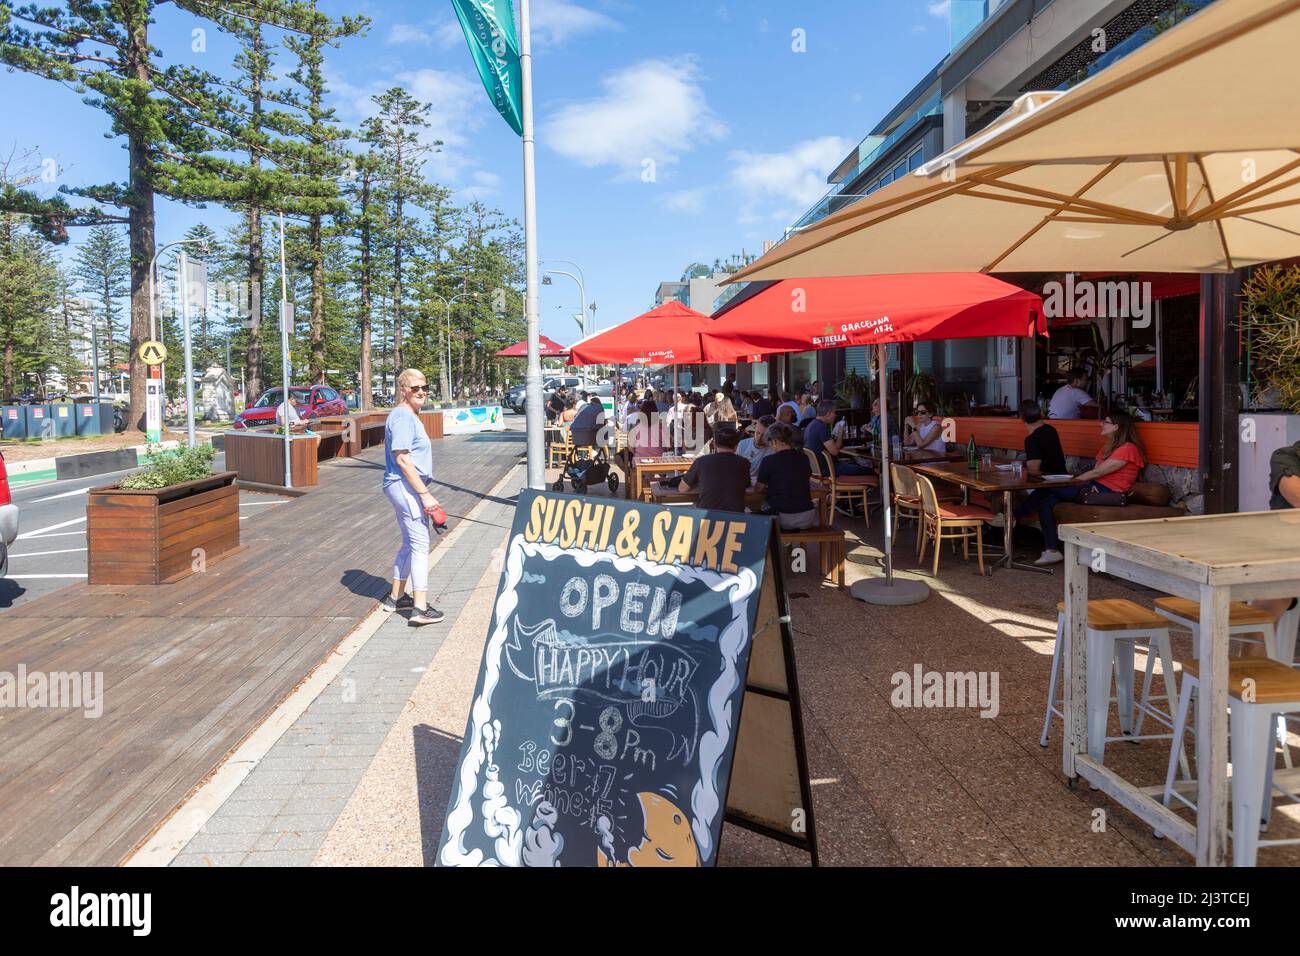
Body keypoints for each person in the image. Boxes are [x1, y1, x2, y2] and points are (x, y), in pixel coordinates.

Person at [1020, 410, 1146, 566]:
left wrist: (1073, 482)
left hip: (1107, 493)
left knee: (1047, 488)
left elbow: (1099, 472)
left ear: (1116, 427)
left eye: (1105, 422)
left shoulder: (1128, 448)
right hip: (1094, 487)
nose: (1101, 424)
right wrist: (1079, 482)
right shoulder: (1109, 447)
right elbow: (1097, 473)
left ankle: (1014, 516)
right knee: (1046, 501)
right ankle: (1052, 551)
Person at [382, 368, 444, 626]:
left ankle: (395, 597)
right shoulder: (403, 417)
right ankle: (419, 608)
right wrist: (425, 494)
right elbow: (403, 459)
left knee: (410, 542)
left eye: (424, 387)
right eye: (414, 387)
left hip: (401, 485)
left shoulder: (405, 415)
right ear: (403, 390)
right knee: (420, 544)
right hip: (404, 485)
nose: (421, 392)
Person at [755, 422, 819, 530]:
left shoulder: (768, 461)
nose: (770, 447)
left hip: (781, 519)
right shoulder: (804, 458)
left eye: (770, 444)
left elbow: (758, 488)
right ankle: (788, 545)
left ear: (774, 441)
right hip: (807, 517)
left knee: (758, 511)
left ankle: (775, 546)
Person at [677, 424, 750, 513]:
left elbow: (682, 489)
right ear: (736, 446)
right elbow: (746, 485)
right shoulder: (744, 463)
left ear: (714, 444)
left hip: (707, 515)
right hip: (735, 515)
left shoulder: (701, 461)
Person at [804, 399, 873, 477]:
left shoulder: (811, 425)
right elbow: (835, 451)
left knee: (855, 464)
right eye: (834, 412)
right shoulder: (821, 427)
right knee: (870, 470)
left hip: (819, 469)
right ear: (828, 413)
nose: (835, 415)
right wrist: (840, 431)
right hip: (830, 469)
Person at [1018, 399, 1066, 475]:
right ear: (1041, 413)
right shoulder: (1051, 429)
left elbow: (1033, 472)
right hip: (1063, 479)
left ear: (1022, 418)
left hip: (1048, 484)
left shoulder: (1032, 439)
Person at [737, 414, 776, 479]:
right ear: (755, 428)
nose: (759, 438)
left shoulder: (773, 451)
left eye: (764, 435)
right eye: (757, 432)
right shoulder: (742, 444)